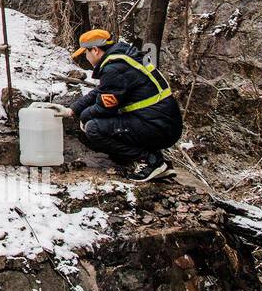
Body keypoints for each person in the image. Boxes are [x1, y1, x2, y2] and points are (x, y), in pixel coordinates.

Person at [57, 28, 182, 183]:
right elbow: (101, 91)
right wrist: (72, 110)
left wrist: (83, 116)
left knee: (93, 128)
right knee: (93, 119)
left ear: (95, 50)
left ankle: (152, 161)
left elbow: (104, 108)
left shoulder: (114, 68)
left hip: (158, 127)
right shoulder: (123, 58)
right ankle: (147, 159)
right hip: (162, 123)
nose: (86, 57)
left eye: (85, 53)